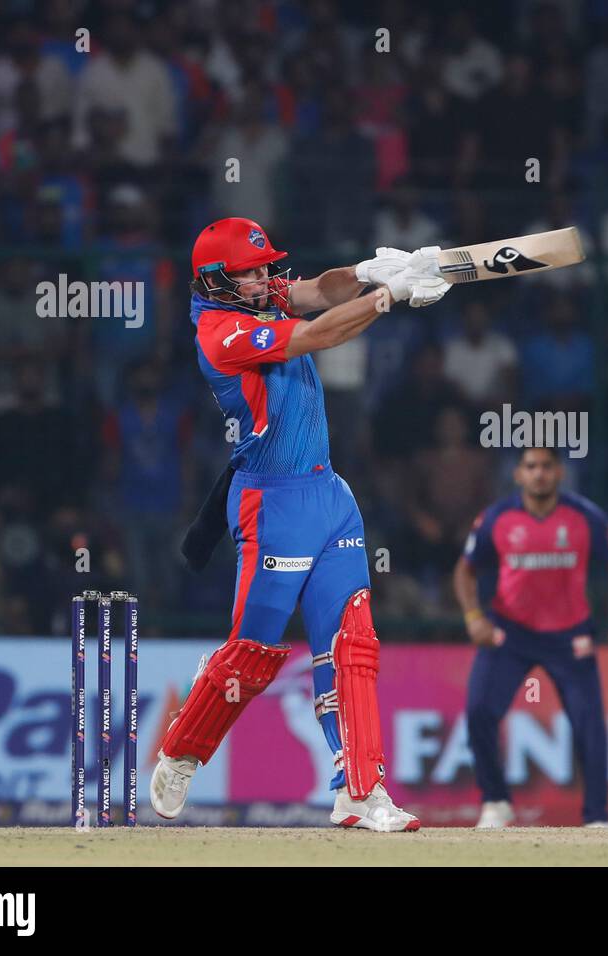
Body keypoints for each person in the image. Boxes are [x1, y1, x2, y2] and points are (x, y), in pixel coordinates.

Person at [149, 217, 447, 832]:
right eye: (250, 272)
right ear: (216, 282)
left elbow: (318, 292)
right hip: (272, 506)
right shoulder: (221, 332)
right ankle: (182, 750)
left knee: (351, 646)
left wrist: (370, 272)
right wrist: (388, 298)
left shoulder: (256, 294)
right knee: (254, 654)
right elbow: (318, 334)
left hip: (329, 494)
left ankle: (361, 791)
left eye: (264, 269)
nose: (264, 280)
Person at [452, 447, 608, 828]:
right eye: (531, 467)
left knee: (589, 725)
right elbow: (465, 571)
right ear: (518, 474)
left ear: (560, 473)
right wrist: (473, 617)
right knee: (478, 712)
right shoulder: (497, 519)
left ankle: (597, 817)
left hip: (570, 637)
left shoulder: (586, 517)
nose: (539, 475)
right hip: (509, 633)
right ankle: (496, 801)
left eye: (547, 467)